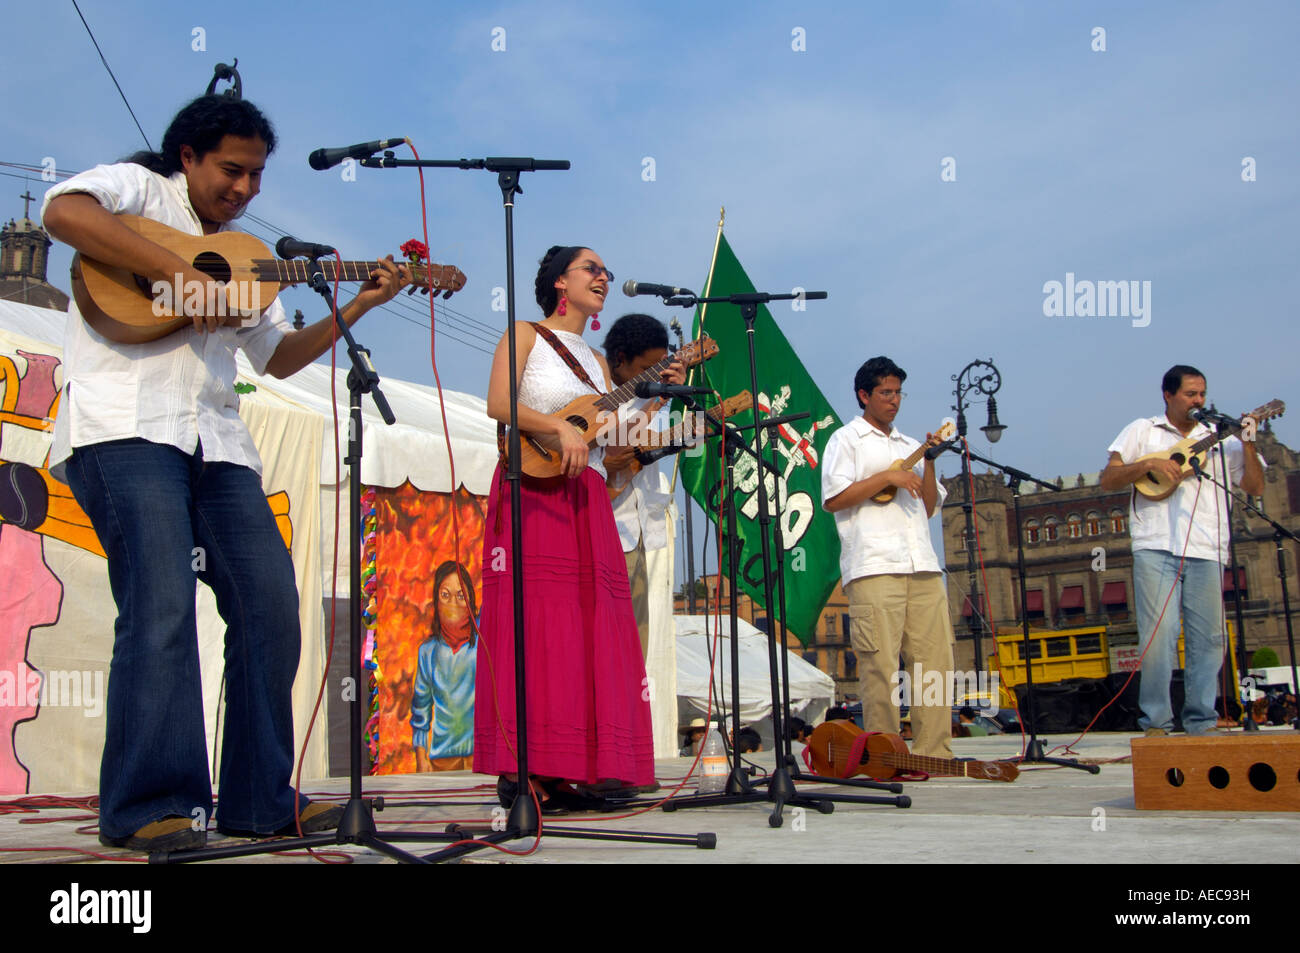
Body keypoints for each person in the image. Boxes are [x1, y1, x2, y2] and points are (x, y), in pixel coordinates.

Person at [41, 94, 410, 852]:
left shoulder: (246, 257)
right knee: (162, 605)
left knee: (272, 604)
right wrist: (179, 268)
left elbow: (274, 356)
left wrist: (362, 306)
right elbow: (63, 212)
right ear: (189, 157)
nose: (244, 188)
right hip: (125, 428)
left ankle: (256, 798)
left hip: (219, 443)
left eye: (256, 176)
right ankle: (151, 806)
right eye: (231, 170)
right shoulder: (140, 193)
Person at [472, 245, 682, 812]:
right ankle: (523, 771)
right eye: (592, 268)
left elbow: (608, 438)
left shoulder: (594, 359)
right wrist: (556, 428)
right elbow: (498, 403)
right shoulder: (525, 335)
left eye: (607, 271)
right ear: (560, 281)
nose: (604, 277)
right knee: (534, 626)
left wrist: (655, 403)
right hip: (533, 494)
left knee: (585, 630)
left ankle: (570, 767)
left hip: (584, 496)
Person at [1100, 365, 1264, 736]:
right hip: (1156, 545)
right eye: (1191, 394)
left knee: (1209, 639)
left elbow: (1255, 487)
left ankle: (1201, 722)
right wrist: (1149, 463)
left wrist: (1249, 443)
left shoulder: (1222, 437)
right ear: (1169, 395)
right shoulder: (1142, 430)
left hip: (1208, 548)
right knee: (1159, 636)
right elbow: (1108, 477)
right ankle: (1156, 722)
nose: (1199, 401)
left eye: (1202, 394)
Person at [821, 356, 955, 760]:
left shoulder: (909, 445)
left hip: (923, 565)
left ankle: (935, 752)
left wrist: (928, 461)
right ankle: (886, 754)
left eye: (898, 392)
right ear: (864, 395)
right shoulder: (846, 440)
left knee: (935, 664)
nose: (894, 400)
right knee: (880, 665)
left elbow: (929, 506)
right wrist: (887, 477)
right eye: (886, 392)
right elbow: (833, 500)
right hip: (874, 566)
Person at [601, 313, 674, 659]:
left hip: (640, 530)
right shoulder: (593, 397)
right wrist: (658, 399)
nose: (657, 376)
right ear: (620, 360)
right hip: (607, 530)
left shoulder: (653, 396)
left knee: (635, 650)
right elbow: (619, 444)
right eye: (648, 369)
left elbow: (649, 446)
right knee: (608, 647)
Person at [411, 561, 478, 771]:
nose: (454, 603)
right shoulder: (428, 652)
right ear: (436, 600)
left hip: (481, 758)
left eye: (461, 595)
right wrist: (421, 755)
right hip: (443, 760)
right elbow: (420, 709)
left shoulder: (483, 643)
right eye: (446, 595)